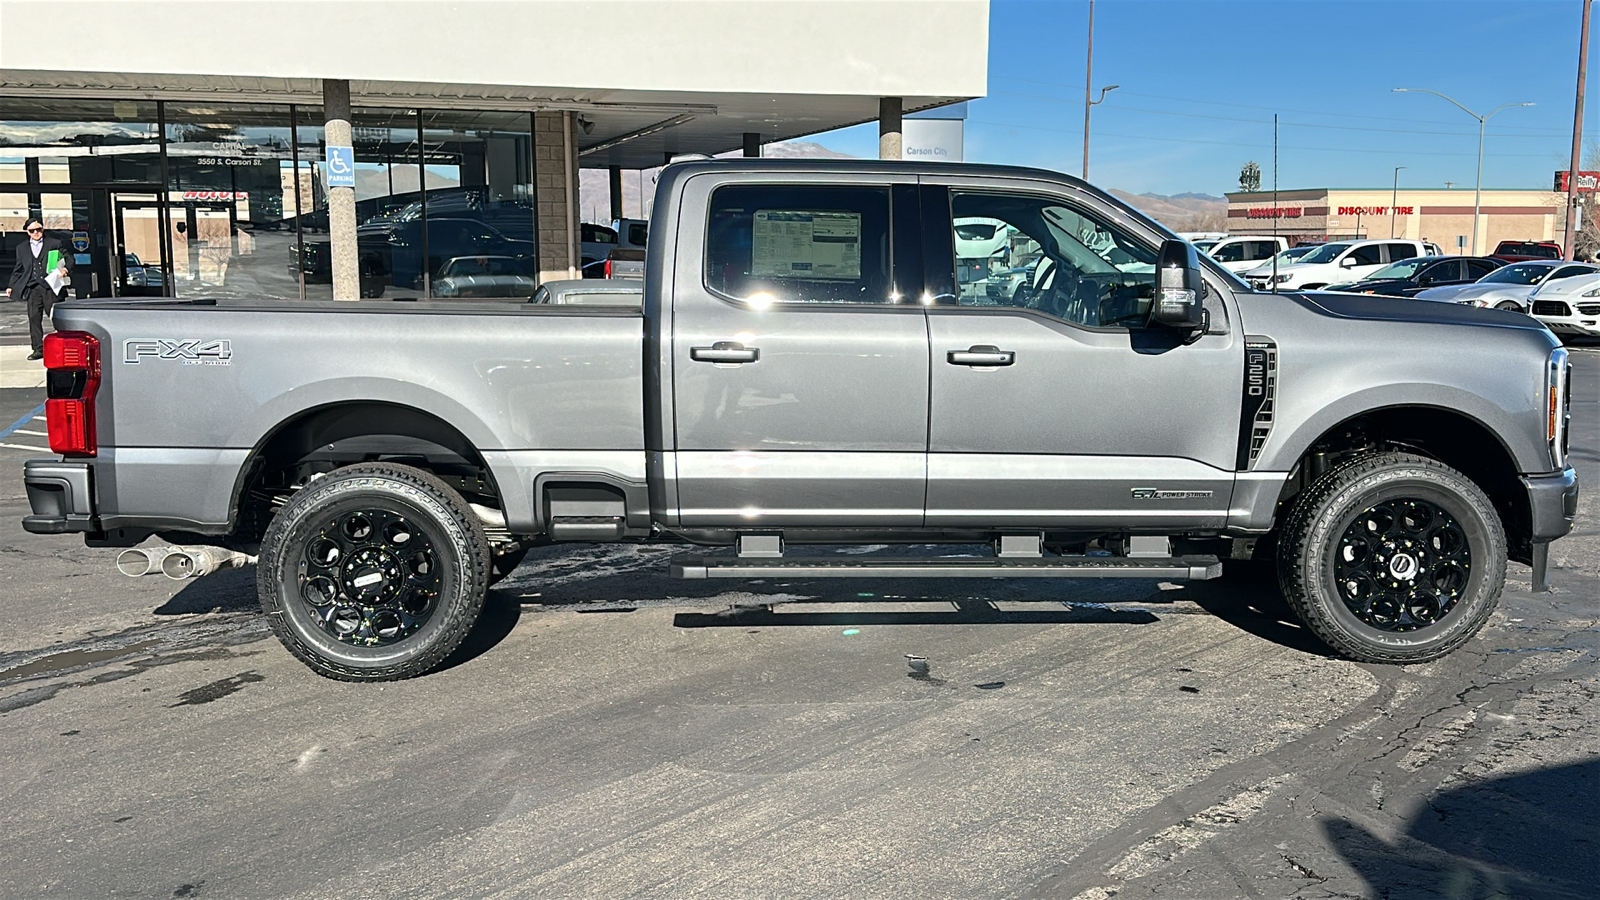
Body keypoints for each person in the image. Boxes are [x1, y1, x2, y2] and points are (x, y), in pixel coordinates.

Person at [7, 217, 71, 361]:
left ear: (43, 229)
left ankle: (63, 346)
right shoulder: (21, 248)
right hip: (33, 288)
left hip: (50, 287)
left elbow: (68, 258)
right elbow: (19, 269)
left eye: (38, 229)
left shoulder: (54, 243)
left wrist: (65, 269)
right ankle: (38, 349)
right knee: (34, 318)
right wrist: (12, 285)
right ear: (27, 232)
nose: (36, 232)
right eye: (32, 230)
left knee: (56, 317)